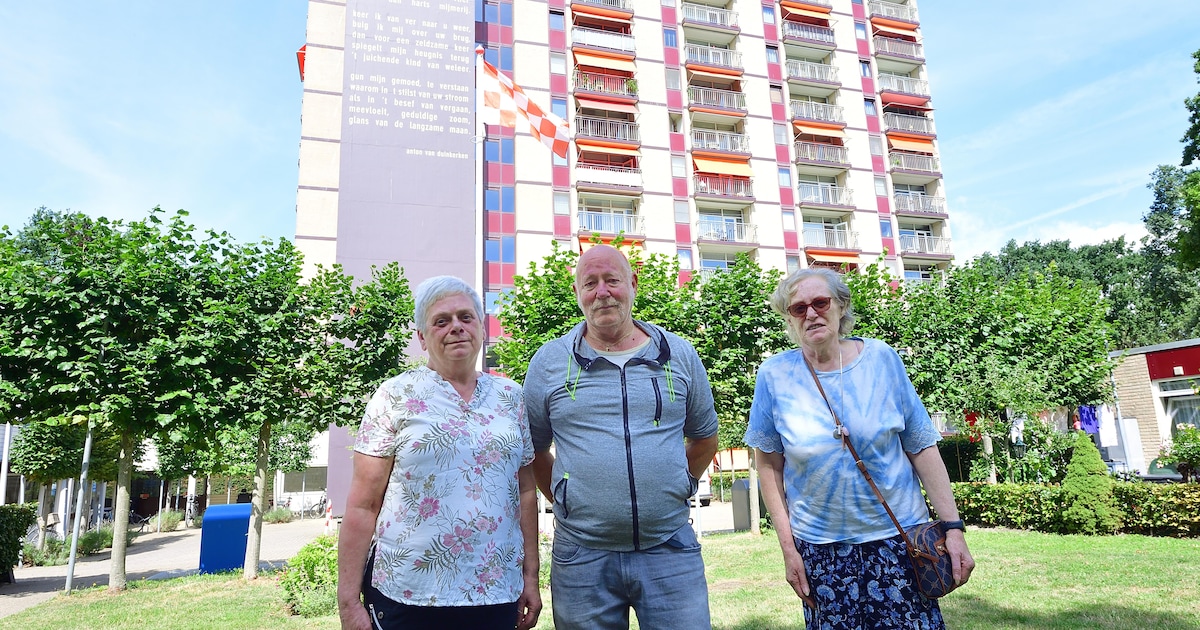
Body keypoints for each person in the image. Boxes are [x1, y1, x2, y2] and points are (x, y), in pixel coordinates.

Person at [744, 268, 975, 629]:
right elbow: (769, 467)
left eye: (820, 303)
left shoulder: (882, 359)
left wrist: (953, 528)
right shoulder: (774, 376)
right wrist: (789, 550)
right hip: (821, 551)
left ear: (841, 306)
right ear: (788, 318)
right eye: (798, 308)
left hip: (900, 542)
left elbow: (921, 446)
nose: (811, 313)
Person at [523, 245, 720, 630]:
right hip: (581, 556)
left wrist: (676, 484)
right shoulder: (549, 362)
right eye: (590, 283)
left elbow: (704, 439)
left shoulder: (678, 354)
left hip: (670, 547)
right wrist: (567, 498)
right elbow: (533, 451)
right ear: (577, 293)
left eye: (612, 280)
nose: (602, 292)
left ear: (633, 283)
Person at [337, 276, 541, 630]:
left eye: (466, 317)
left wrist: (531, 577)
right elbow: (362, 505)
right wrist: (348, 602)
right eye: (441, 321)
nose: (456, 327)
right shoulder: (394, 396)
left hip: (496, 593)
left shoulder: (510, 397)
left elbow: (524, 492)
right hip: (409, 595)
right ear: (422, 337)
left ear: (481, 327)